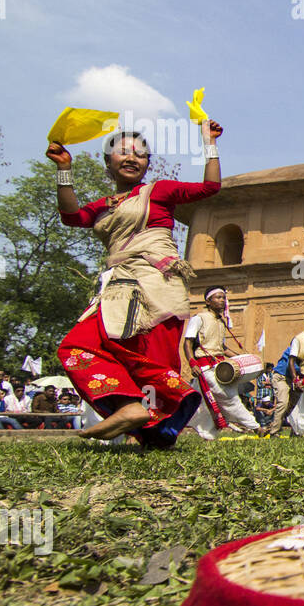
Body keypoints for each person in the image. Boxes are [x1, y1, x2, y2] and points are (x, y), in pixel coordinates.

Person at [50, 124, 220, 446]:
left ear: (148, 163)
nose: (133, 158)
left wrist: (209, 144)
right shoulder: (103, 205)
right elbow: (71, 216)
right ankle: (133, 410)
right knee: (79, 345)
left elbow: (210, 187)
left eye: (141, 154)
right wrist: (64, 169)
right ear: (107, 161)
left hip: (155, 284)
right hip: (117, 287)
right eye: (124, 151)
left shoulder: (159, 191)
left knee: (151, 360)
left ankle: (153, 431)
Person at [183, 286, 261, 439]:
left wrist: (241, 358)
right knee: (228, 396)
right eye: (218, 297)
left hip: (218, 365)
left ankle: (208, 434)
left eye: (223, 297)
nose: (222, 300)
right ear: (208, 301)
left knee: (202, 405)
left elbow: (223, 348)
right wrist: (192, 363)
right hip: (205, 366)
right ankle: (256, 426)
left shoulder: (221, 322)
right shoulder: (199, 318)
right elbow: (187, 343)